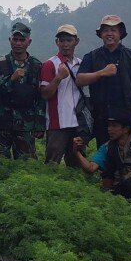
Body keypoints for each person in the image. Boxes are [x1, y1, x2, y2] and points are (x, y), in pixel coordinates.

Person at [75, 14, 131, 147]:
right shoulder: (91, 57)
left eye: (113, 30)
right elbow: (80, 80)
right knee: (106, 155)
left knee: (130, 154)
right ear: (100, 34)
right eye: (105, 30)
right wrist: (101, 73)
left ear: (120, 33)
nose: (109, 34)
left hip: (128, 117)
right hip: (102, 118)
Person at [0, 22, 44, 163]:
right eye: (15, 39)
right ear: (10, 40)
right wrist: (11, 80)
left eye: (22, 40)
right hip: (2, 122)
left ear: (28, 41)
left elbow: (40, 97)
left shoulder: (37, 66)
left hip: (26, 124)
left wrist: (40, 124)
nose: (18, 43)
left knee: (26, 166)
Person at [39, 24, 83, 167]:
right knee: (52, 165)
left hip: (77, 123)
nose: (65, 44)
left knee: (77, 165)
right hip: (57, 123)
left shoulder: (80, 64)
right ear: (57, 42)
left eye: (69, 40)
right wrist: (58, 77)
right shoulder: (50, 64)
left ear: (76, 41)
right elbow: (45, 94)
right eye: (62, 40)